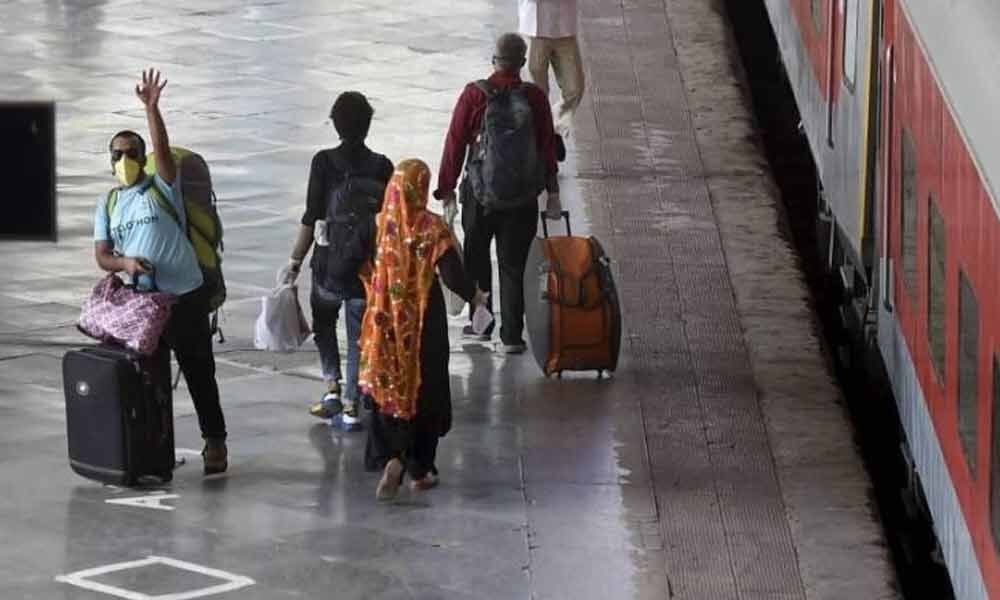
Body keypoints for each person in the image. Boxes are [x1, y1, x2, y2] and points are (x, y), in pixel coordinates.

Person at [93, 69, 228, 474]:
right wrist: (124, 264)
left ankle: (215, 442)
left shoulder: (162, 186)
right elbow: (102, 255)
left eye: (131, 152)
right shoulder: (110, 204)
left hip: (185, 296)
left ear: (143, 157)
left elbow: (163, 150)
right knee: (148, 382)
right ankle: (154, 446)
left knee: (199, 372)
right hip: (144, 304)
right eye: (116, 154)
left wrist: (152, 109)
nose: (124, 160)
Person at [359, 159, 484, 500]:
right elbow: (453, 276)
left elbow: (360, 261)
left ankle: (392, 457)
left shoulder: (380, 222)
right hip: (423, 325)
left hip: (384, 324)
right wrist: (476, 296)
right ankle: (419, 468)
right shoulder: (431, 227)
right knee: (425, 391)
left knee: (390, 386)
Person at [435, 33, 561, 355]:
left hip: (480, 195)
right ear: (521, 64)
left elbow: (455, 142)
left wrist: (446, 188)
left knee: (477, 257)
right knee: (514, 265)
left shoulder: (474, 95)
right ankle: (512, 337)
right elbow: (547, 147)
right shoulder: (534, 98)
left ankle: (482, 324)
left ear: (494, 59)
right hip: (521, 199)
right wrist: (552, 190)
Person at [282, 92, 394, 431]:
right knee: (360, 335)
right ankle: (353, 404)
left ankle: (330, 387)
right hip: (366, 267)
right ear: (368, 125)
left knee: (325, 323)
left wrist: (295, 261)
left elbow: (311, 215)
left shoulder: (323, 162)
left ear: (335, 123)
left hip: (329, 265)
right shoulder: (383, 166)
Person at [519, 0, 585, 140]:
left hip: (565, 27)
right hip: (535, 28)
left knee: (575, 87)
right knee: (537, 93)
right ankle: (541, 135)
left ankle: (554, 126)